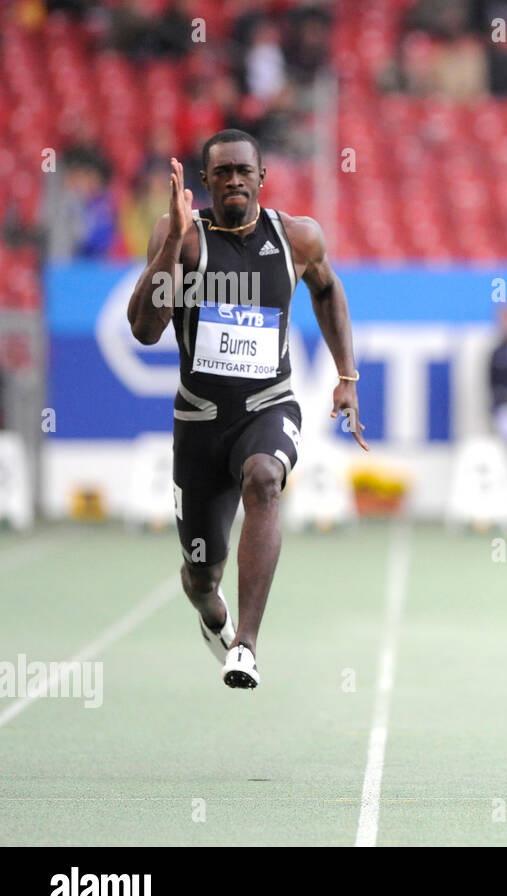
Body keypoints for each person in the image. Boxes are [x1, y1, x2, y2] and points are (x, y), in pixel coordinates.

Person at [126, 129, 368, 689]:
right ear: (205, 181)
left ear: (263, 178)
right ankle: (215, 619)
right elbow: (143, 329)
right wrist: (171, 244)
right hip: (199, 423)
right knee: (200, 575)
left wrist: (347, 377)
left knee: (265, 480)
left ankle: (246, 646)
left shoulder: (298, 237)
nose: (234, 180)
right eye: (222, 173)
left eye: (244, 171)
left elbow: (327, 290)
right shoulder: (180, 237)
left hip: (268, 405)